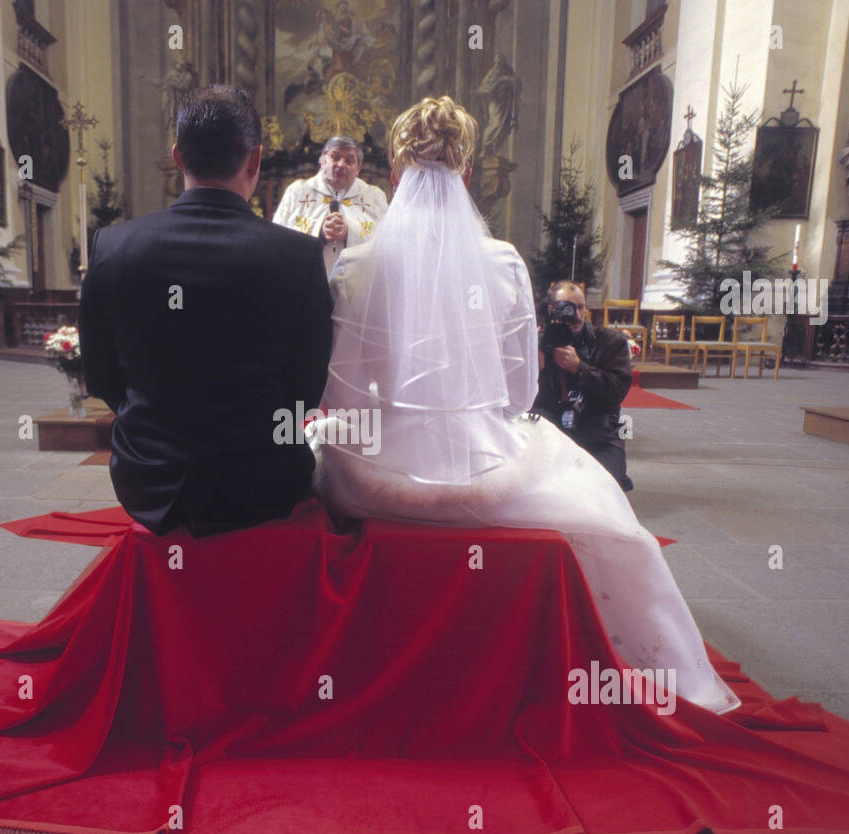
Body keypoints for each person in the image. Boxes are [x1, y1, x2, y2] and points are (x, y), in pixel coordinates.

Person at [311, 96, 740, 715]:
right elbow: (519, 394)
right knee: (604, 506)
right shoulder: (503, 263)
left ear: (396, 175)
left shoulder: (355, 263)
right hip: (489, 472)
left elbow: (341, 396)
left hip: (376, 475)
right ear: (465, 174)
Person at [78, 85, 333, 537]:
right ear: (254, 160)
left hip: (147, 481)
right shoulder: (297, 257)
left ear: (178, 157)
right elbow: (306, 390)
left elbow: (100, 377)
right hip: (263, 482)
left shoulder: (113, 247)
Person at [533, 281, 635, 491]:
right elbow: (521, 402)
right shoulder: (539, 343)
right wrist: (535, 368)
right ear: (552, 310)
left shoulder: (610, 342)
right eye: (569, 308)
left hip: (600, 432)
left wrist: (580, 368)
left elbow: (616, 393)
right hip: (551, 432)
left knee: (606, 486)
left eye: (581, 307)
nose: (577, 315)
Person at [272, 135, 388, 274]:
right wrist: (320, 232)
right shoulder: (298, 192)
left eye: (349, 160)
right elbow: (277, 240)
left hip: (357, 286)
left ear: (359, 168)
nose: (341, 164)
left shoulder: (374, 197)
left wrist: (349, 232)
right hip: (307, 283)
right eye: (335, 157)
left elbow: (386, 246)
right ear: (322, 160)